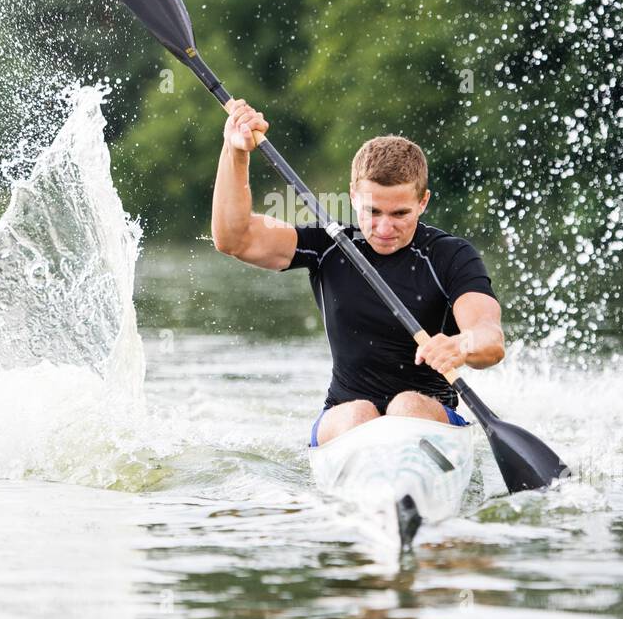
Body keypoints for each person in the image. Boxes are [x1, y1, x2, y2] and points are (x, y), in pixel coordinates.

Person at [210, 98, 506, 448]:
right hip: (344, 418)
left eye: (400, 214)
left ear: (423, 202)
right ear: (353, 196)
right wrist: (236, 151)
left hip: (428, 416)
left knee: (405, 406)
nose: (383, 227)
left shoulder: (451, 255)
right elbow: (234, 238)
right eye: (372, 211)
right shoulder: (329, 245)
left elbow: (491, 338)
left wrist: (462, 343)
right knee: (359, 413)